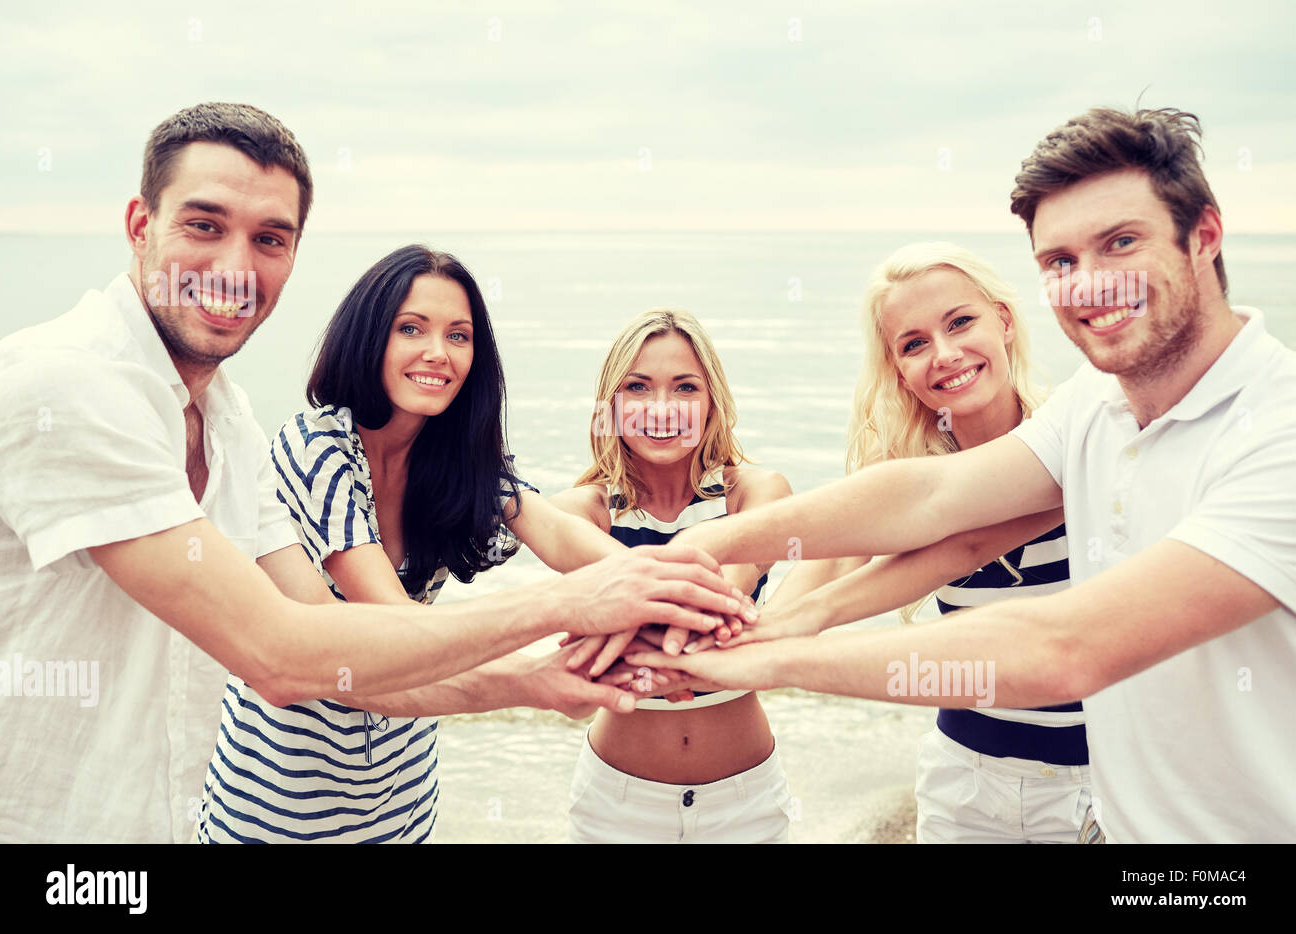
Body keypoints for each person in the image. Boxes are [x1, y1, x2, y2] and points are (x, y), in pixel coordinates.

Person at [0, 102, 752, 843]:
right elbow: (284, 657)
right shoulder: (72, 387)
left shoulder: (230, 425)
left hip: (272, 814)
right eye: (204, 225)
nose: (235, 267)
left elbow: (343, 639)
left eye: (269, 238)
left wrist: (634, 624)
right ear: (139, 225)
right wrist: (571, 610)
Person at [625, 106, 1296, 843]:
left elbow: (1064, 651)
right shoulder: (1095, 407)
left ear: (1204, 235)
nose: (1090, 285)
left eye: (1121, 243)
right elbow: (930, 495)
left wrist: (772, 658)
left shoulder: (1277, 433)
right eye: (1061, 263)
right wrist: (698, 551)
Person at [199, 244, 662, 843]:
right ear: (369, 336)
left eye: (459, 335)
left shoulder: (455, 458)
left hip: (402, 789)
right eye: (411, 328)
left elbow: (555, 531)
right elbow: (391, 625)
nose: (438, 354)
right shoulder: (317, 445)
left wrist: (670, 594)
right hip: (280, 797)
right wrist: (540, 669)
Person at [746, 242, 1087, 843]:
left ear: (1004, 322)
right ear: (897, 368)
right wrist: (762, 627)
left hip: (1097, 780)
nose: (946, 354)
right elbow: (831, 552)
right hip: (966, 780)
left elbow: (962, 547)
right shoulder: (905, 467)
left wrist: (797, 628)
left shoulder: (1074, 442)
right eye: (914, 343)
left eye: (960, 322)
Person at [550, 309, 795, 844]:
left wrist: (632, 632)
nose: (662, 410)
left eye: (685, 388)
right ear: (611, 404)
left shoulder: (755, 492)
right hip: (617, 802)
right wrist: (705, 649)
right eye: (638, 388)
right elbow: (710, 626)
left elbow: (719, 603)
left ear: (712, 402)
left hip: (746, 797)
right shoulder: (581, 513)